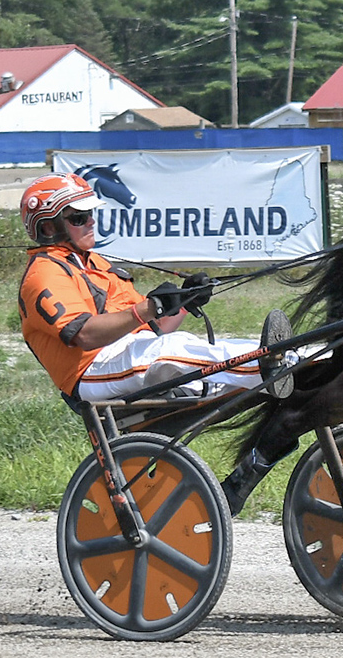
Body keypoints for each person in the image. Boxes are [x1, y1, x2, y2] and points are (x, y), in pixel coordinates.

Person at [17, 172, 292, 513]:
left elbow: (155, 327)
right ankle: (272, 362)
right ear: (48, 228)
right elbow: (85, 334)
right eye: (78, 217)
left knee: (187, 352)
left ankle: (297, 359)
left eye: (91, 214)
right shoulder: (43, 274)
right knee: (170, 352)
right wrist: (148, 307)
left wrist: (184, 302)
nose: (90, 222)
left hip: (126, 357)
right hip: (89, 371)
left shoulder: (96, 265)